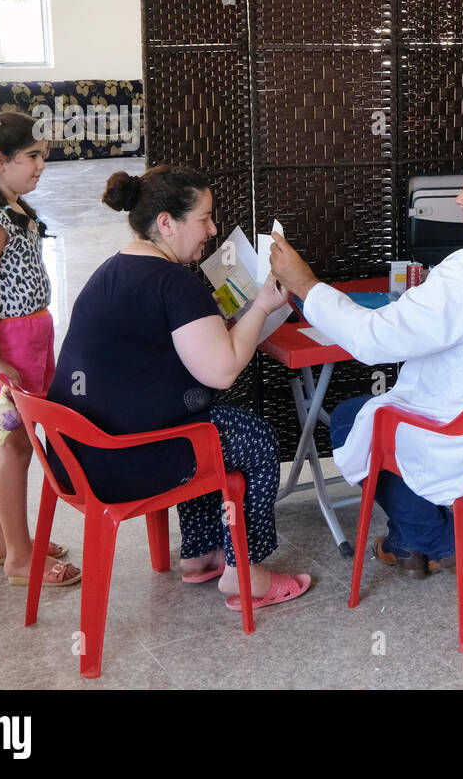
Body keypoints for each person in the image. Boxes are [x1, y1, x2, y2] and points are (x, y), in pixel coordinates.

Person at [269, 143, 463, 577]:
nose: (458, 199)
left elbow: (375, 339)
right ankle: (409, 542)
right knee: (397, 408)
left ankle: (435, 540)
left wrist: (306, 285)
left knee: (350, 418)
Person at [48, 166, 311, 610]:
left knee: (204, 420)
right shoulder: (175, 282)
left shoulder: (111, 270)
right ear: (166, 223)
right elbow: (223, 371)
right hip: (122, 462)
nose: (212, 230)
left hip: (75, 454)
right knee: (255, 439)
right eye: (204, 219)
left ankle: (200, 552)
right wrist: (264, 304)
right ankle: (244, 573)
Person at [0, 113, 81, 587]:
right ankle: (20, 559)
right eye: (31, 157)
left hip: (26, 341)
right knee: (16, 447)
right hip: (1, 345)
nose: (40, 166)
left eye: (42, 157)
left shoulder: (14, 206)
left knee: (9, 444)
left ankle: (3, 539)